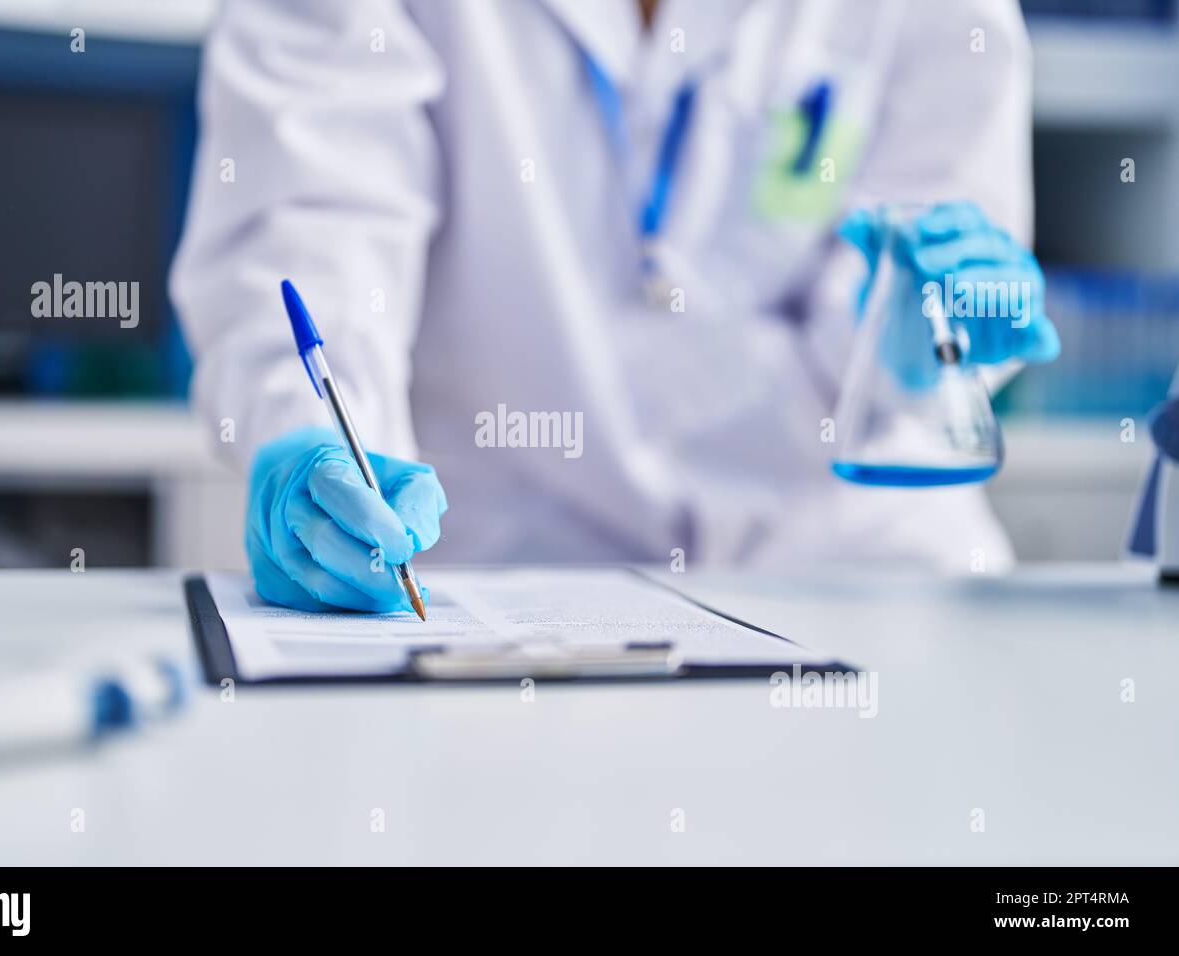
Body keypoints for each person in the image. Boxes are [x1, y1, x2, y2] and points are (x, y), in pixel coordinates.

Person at [170, 0, 1058, 613]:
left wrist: (917, 335)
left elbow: (939, 224)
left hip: (854, 566)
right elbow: (313, 226)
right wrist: (318, 434)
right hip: (505, 581)